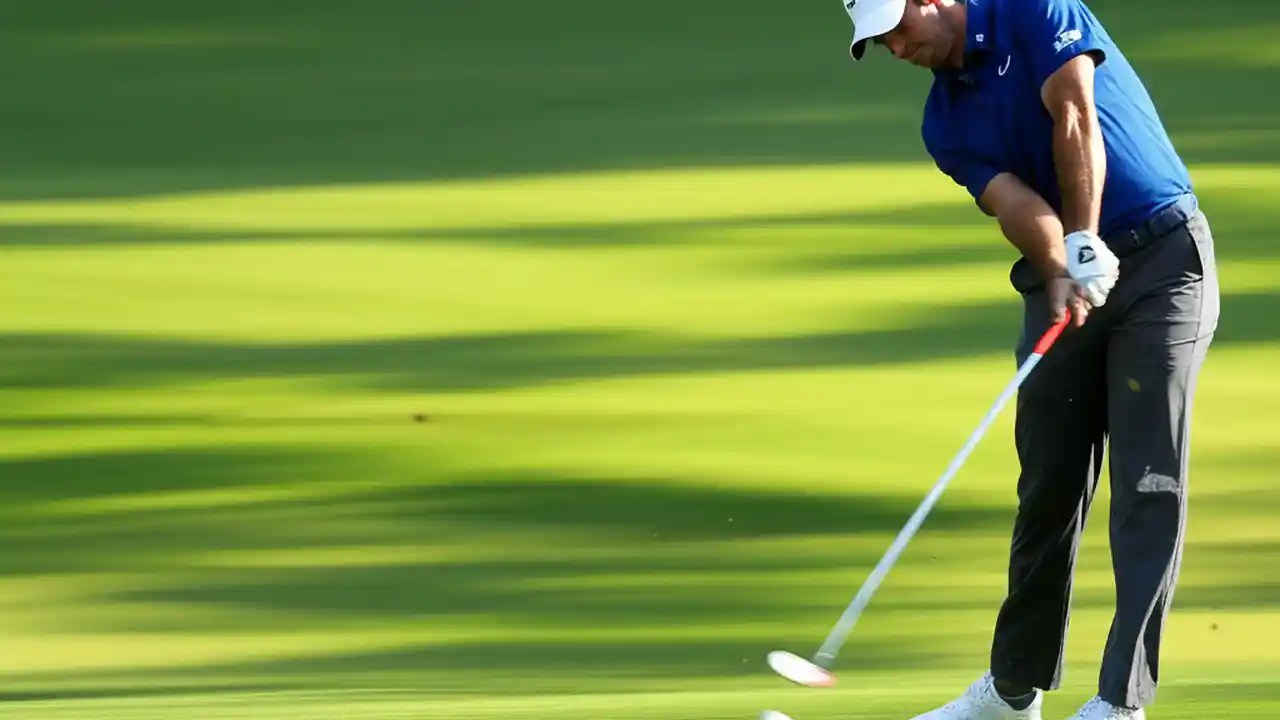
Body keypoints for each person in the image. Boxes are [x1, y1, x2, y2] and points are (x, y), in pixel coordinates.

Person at [837, 0, 1221, 717]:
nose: (894, 48)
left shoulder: (1032, 9)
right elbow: (1014, 204)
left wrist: (1083, 238)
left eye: (897, 29)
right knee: (1048, 482)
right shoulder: (943, 122)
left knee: (1148, 482)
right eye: (879, 42)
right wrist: (1063, 266)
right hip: (1067, 282)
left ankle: (1121, 702)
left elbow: (1073, 112)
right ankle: (1013, 692)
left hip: (1167, 265)